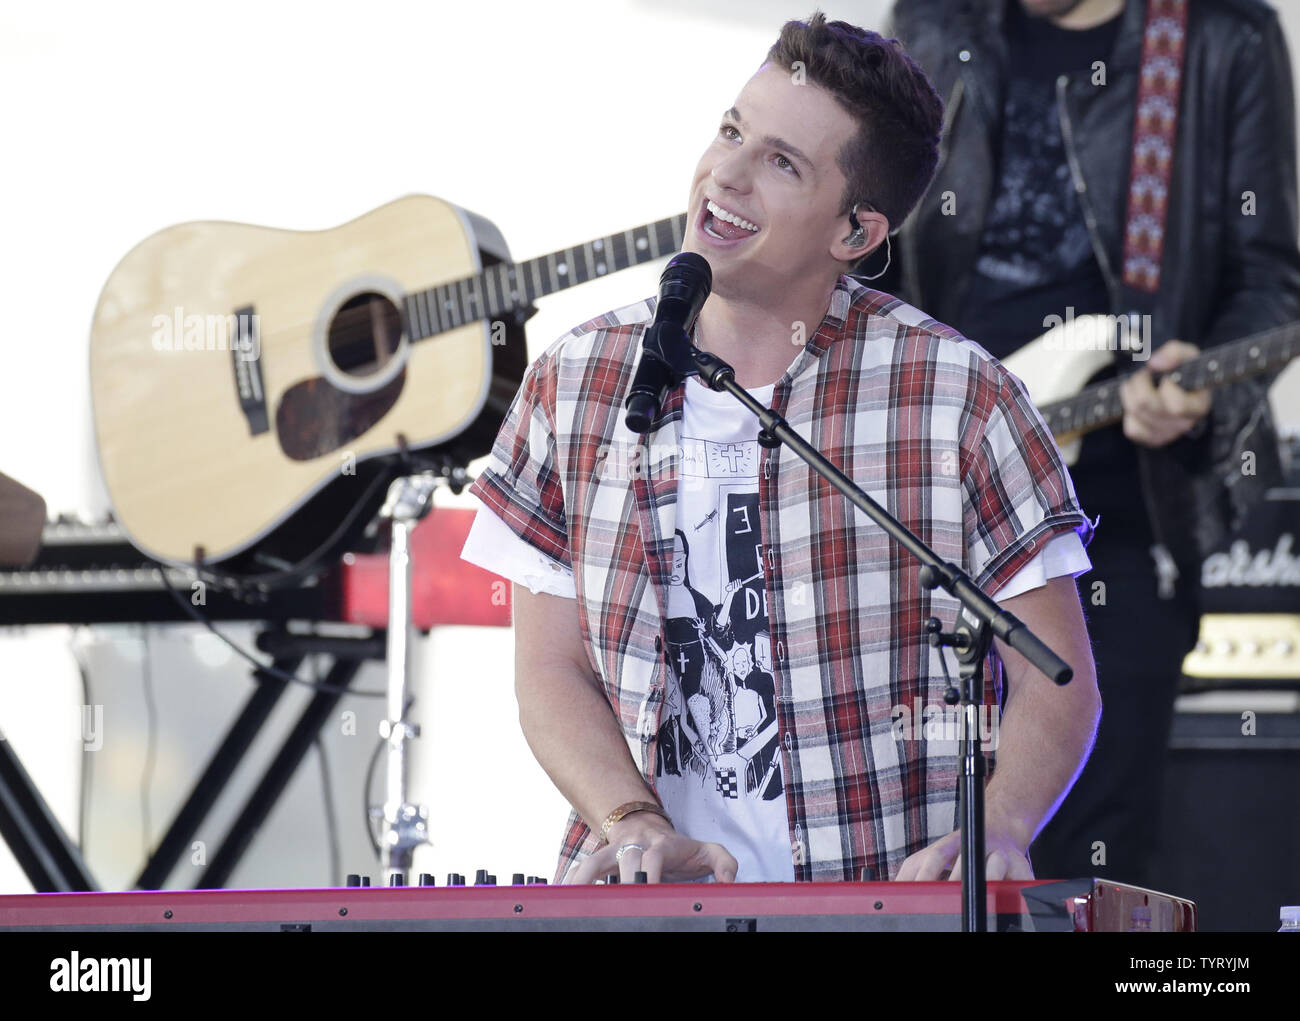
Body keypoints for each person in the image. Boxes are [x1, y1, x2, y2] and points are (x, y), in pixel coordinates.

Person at [461, 12, 1101, 884]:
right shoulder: (576, 380)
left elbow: (1055, 683)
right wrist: (632, 819)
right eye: (732, 130)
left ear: (856, 234)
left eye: (780, 162)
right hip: (644, 909)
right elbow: (550, 667)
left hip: (874, 905)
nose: (724, 174)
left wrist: (1002, 827)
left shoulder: (961, 397)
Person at [878, 0, 1300, 887]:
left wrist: (1206, 385)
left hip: (1120, 505)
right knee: (906, 851)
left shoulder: (1223, 35)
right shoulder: (930, 21)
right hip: (922, 508)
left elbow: (1271, 279)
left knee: (1082, 856)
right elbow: (876, 245)